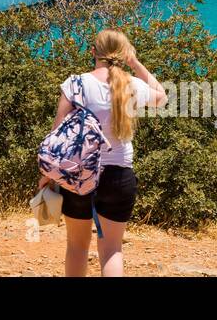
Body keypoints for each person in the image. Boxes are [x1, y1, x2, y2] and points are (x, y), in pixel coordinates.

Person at [42, 29, 167, 277]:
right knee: (112, 250)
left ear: (93, 52)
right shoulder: (132, 85)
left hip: (77, 176)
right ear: (123, 55)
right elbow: (162, 97)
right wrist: (135, 62)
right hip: (119, 177)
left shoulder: (76, 84)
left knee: (77, 246)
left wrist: (47, 175)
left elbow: (56, 134)